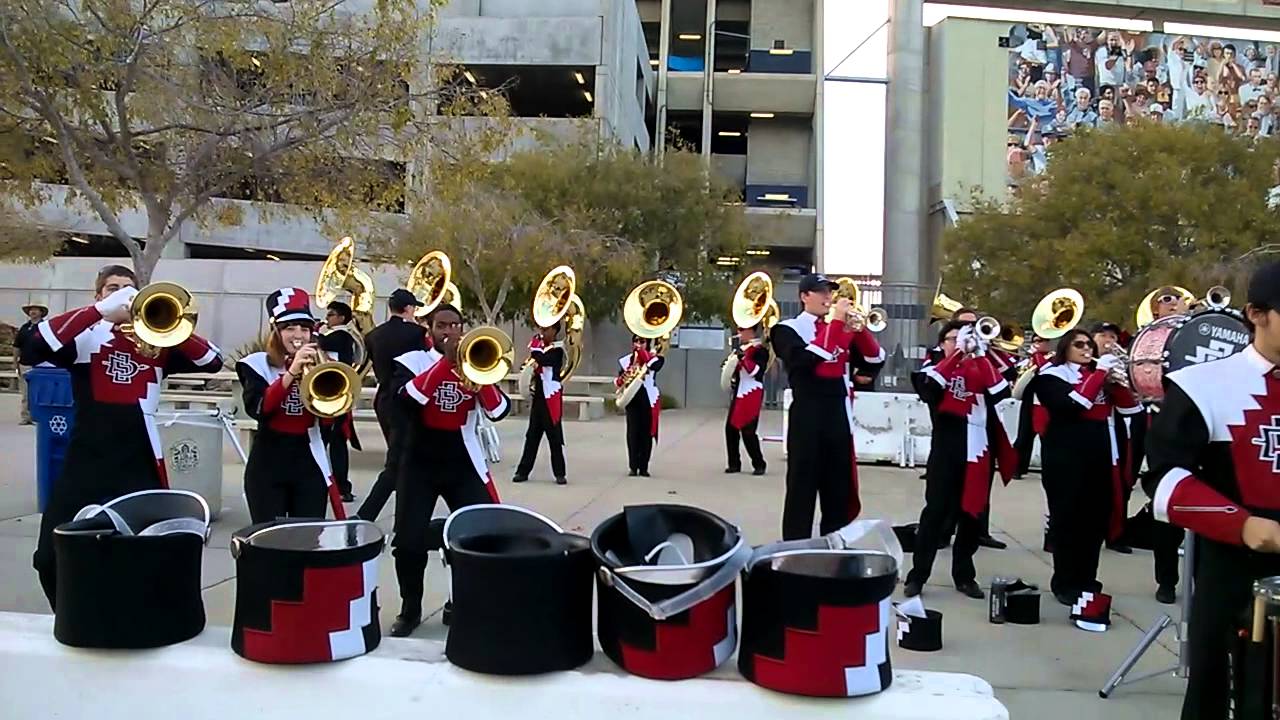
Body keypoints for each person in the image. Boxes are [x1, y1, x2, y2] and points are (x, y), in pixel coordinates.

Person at [21, 265, 223, 608]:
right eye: (112, 288)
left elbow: (212, 361)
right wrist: (99, 312)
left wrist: (169, 324)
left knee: (144, 554)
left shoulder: (158, 343)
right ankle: (70, 616)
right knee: (50, 556)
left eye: (129, 289)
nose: (122, 294)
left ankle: (128, 620)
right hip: (87, 459)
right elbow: (32, 345)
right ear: (99, 295)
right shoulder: (85, 336)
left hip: (140, 462)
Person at [1143, 260, 1280, 720]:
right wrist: (1244, 525)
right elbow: (1164, 480)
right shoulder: (1203, 385)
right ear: (1256, 314)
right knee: (1219, 693)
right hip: (1234, 569)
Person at [389, 303, 510, 637]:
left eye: (455, 325)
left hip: (463, 461)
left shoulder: (475, 361)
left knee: (481, 534)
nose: (449, 331)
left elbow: (499, 410)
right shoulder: (412, 362)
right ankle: (410, 609)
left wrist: (480, 378)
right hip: (419, 461)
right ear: (429, 329)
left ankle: (462, 602)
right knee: (408, 540)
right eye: (442, 325)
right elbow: (406, 401)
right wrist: (446, 363)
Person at [904, 321, 1016, 601]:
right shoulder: (933, 370)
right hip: (947, 451)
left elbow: (1002, 392)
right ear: (942, 344)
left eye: (964, 337)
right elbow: (929, 390)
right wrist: (957, 354)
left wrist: (981, 354)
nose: (961, 342)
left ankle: (964, 575)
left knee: (972, 515)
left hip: (979, 451)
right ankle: (918, 575)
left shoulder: (983, 369)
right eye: (953, 338)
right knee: (935, 514)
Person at [770, 274, 884, 540]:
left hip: (837, 413)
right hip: (807, 412)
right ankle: (795, 549)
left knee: (838, 490)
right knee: (801, 488)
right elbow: (806, 360)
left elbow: (874, 359)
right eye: (821, 292)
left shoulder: (837, 327)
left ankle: (835, 546)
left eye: (829, 292)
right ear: (804, 296)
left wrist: (859, 330)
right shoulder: (787, 329)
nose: (828, 297)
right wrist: (836, 324)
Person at [1035, 328, 1140, 607]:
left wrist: (1118, 382)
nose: (1087, 350)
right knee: (1067, 521)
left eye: (1089, 345)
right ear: (1065, 348)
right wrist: (1099, 373)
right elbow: (1074, 405)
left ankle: (1087, 580)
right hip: (1065, 457)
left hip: (1100, 454)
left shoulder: (1098, 375)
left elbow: (1132, 410)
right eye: (1079, 345)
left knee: (1095, 522)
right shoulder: (1051, 376)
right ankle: (1064, 582)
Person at [236, 288, 346, 524]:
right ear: (276, 332)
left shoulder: (327, 363)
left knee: (307, 536)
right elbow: (260, 409)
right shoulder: (256, 365)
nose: (298, 335)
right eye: (290, 328)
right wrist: (291, 372)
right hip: (268, 462)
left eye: (304, 329)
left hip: (309, 461)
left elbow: (331, 420)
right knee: (269, 537)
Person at [356, 288, 425, 521]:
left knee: (402, 457)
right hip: (408, 400)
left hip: (384, 399)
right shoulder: (418, 333)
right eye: (413, 308)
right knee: (399, 462)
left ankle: (402, 516)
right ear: (408, 308)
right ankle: (367, 515)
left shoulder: (373, 335)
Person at [1092, 321, 1137, 555]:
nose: (1109, 341)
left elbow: (1131, 406)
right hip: (1085, 431)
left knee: (1119, 484)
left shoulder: (1120, 365)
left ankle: (1115, 534)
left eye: (1113, 337)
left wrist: (1119, 379)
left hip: (1114, 427)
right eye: (1103, 335)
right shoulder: (1081, 366)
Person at [513, 322, 567, 485]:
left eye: (546, 329)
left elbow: (544, 360)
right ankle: (522, 472)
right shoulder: (539, 348)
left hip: (551, 398)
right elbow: (534, 362)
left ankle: (560, 473)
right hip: (539, 398)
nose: (542, 332)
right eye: (541, 329)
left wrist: (535, 348)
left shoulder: (558, 349)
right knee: (532, 437)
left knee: (554, 438)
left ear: (555, 330)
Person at [317, 300, 361, 503]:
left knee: (332, 444)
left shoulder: (341, 336)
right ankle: (336, 485)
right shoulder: (336, 335)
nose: (327, 318)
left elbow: (323, 345)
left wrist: (315, 332)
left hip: (336, 395)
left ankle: (341, 486)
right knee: (330, 443)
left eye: (331, 314)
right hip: (332, 395)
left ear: (342, 318)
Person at [725, 323, 770, 476]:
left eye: (742, 330)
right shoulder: (743, 349)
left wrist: (742, 358)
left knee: (748, 431)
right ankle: (734, 464)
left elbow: (755, 371)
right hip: (740, 391)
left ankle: (759, 463)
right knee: (730, 429)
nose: (740, 332)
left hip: (752, 392)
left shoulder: (760, 351)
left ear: (752, 331)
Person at [617, 335, 665, 477]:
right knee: (632, 433)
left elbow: (655, 366)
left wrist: (643, 355)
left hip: (648, 399)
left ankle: (644, 467)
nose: (638, 344)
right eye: (636, 341)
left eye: (642, 341)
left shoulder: (655, 358)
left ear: (648, 343)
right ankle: (633, 466)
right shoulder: (627, 360)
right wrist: (623, 377)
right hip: (632, 398)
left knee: (646, 434)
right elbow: (620, 379)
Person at [15, 302, 48, 425]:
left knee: (40, 392)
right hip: (25, 364)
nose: (32, 312)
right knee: (25, 393)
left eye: (35, 310)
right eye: (31, 310)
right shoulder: (24, 328)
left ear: (41, 312)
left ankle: (38, 416)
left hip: (40, 365)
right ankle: (25, 416)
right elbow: (17, 346)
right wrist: (15, 361)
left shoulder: (45, 327)